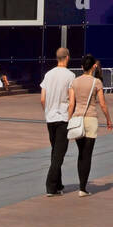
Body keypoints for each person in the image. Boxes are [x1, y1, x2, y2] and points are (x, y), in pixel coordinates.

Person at [67, 53, 113, 195]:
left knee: (81, 154)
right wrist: (108, 120)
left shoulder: (74, 82)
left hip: (77, 119)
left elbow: (71, 104)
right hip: (91, 120)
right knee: (88, 154)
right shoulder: (96, 82)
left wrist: (68, 121)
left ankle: (82, 186)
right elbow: (103, 104)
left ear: (81, 67)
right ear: (93, 66)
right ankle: (82, 188)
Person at [41, 47, 74, 196]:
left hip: (50, 118)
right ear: (67, 57)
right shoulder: (70, 76)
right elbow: (72, 100)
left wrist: (48, 111)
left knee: (55, 151)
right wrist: (70, 116)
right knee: (59, 153)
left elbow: (42, 98)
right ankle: (50, 186)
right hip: (63, 118)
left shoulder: (48, 75)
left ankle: (58, 184)